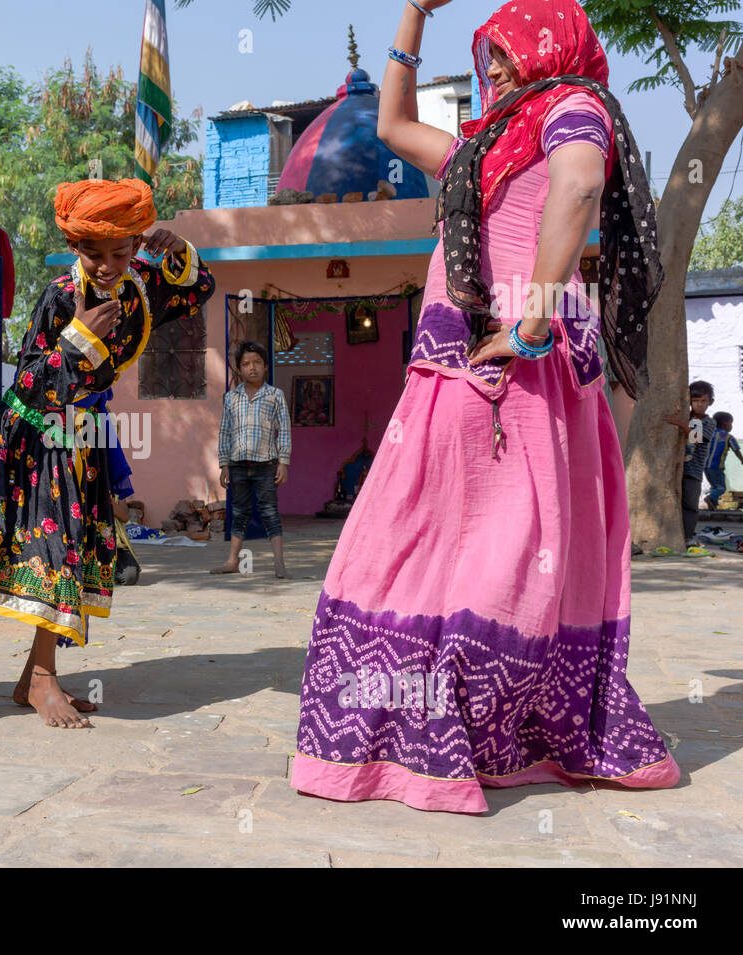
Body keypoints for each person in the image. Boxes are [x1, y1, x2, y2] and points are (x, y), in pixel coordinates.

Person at [290, 0, 679, 813]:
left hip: (518, 363)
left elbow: (576, 188)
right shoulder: (486, 143)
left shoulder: (574, 108)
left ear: (548, 45)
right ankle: (420, 726)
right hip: (455, 357)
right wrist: (412, 16)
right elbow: (394, 127)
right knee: (411, 533)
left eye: (502, 52)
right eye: (484, 53)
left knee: (507, 547)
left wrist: (533, 321)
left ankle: (468, 729)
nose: (490, 68)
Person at [0, 178, 214, 728]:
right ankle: (44, 681)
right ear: (75, 247)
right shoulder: (60, 296)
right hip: (38, 438)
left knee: (75, 548)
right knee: (56, 550)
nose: (109, 263)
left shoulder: (139, 288)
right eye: (94, 252)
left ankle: (30, 679)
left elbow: (196, 289)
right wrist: (76, 341)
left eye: (121, 250)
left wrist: (178, 253)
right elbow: (33, 380)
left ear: (137, 244)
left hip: (84, 437)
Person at [212, 342, 292, 578]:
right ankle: (232, 560)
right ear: (239, 369)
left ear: (265, 366)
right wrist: (224, 464)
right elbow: (224, 432)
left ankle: (279, 563)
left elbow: (284, 430)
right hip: (237, 466)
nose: (252, 368)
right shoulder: (231, 398)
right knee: (239, 512)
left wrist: (283, 462)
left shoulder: (275, 395)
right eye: (246, 364)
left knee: (269, 511)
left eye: (257, 362)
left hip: (265, 465)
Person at [664, 381, 715, 546]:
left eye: (703, 401)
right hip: (677, 469)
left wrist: (680, 423)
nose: (699, 405)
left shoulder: (709, 422)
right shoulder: (687, 416)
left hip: (693, 472)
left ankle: (688, 537)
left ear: (710, 402)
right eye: (695, 401)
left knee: (690, 505)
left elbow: (697, 438)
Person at [704, 411, 741, 510]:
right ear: (725, 423)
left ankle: (713, 506)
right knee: (721, 488)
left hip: (706, 466)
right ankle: (710, 498)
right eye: (731, 423)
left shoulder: (710, 434)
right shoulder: (727, 436)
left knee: (714, 487)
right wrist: (742, 460)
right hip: (716, 466)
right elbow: (736, 449)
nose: (731, 426)